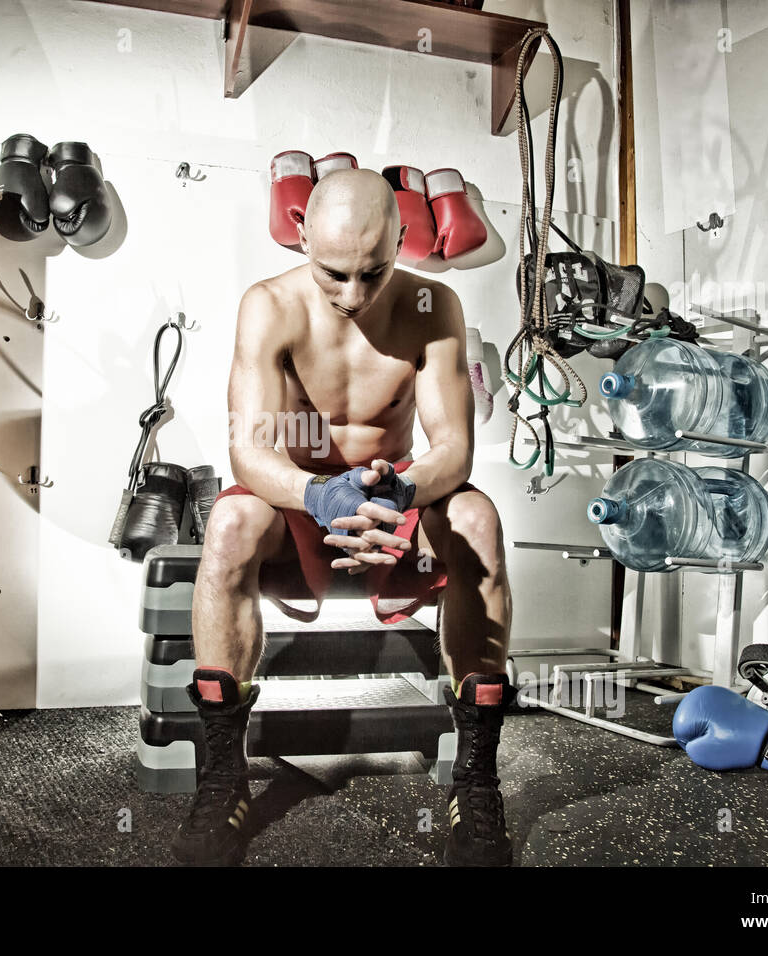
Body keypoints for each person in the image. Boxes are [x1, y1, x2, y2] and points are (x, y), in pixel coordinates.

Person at [172, 168, 514, 866]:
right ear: (300, 234)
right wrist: (322, 495)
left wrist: (398, 492)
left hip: (394, 502)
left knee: (477, 519)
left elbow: (453, 448)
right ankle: (223, 779)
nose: (354, 295)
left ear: (400, 239)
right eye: (334, 273)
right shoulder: (269, 305)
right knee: (229, 526)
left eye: (374, 271)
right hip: (301, 501)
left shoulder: (432, 303)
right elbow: (249, 449)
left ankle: (476, 782)